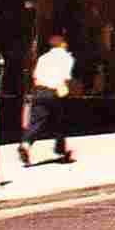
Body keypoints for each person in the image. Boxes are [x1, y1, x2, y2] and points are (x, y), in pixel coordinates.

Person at [20, 34, 74, 167]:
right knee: (60, 121)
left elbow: (35, 77)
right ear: (62, 44)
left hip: (39, 91)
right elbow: (65, 78)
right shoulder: (66, 57)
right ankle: (60, 149)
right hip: (55, 92)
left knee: (36, 122)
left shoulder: (43, 58)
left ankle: (26, 144)